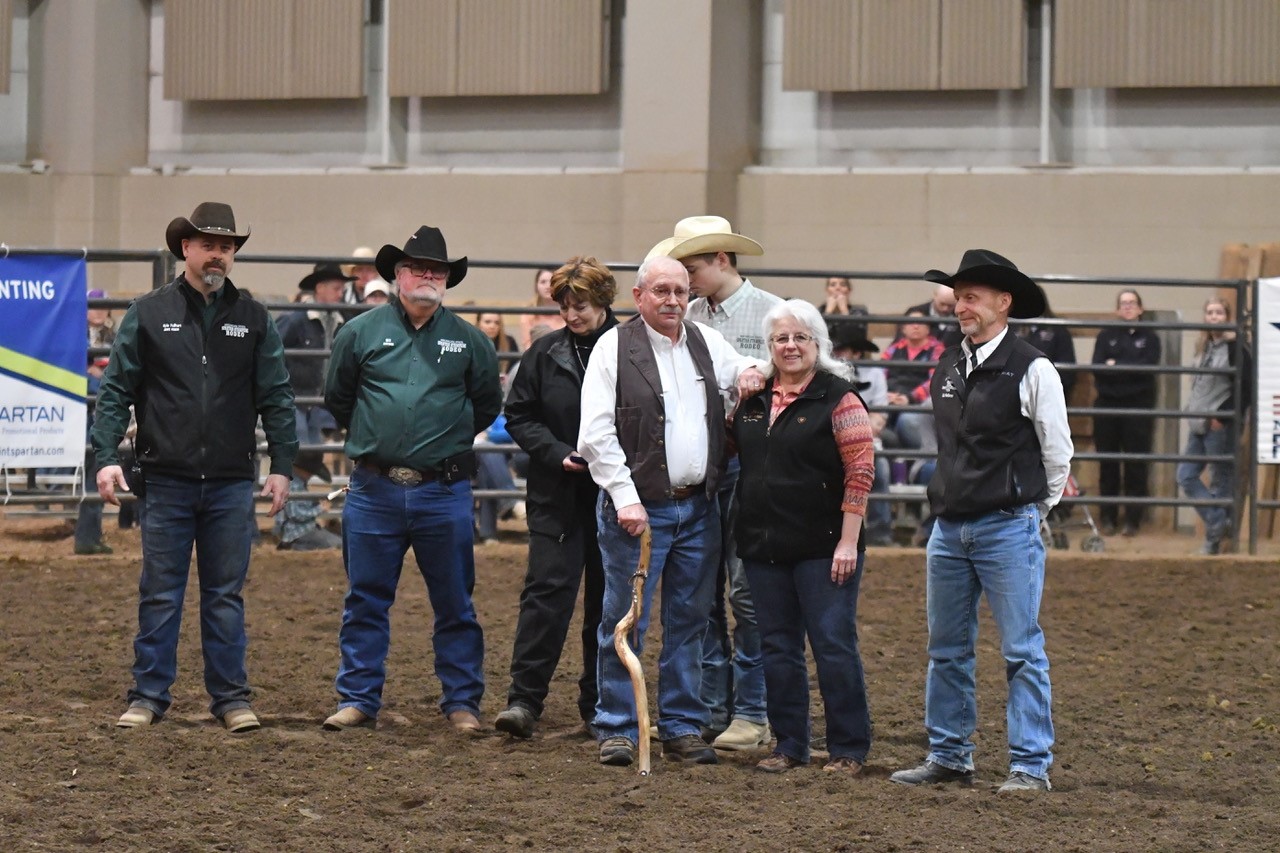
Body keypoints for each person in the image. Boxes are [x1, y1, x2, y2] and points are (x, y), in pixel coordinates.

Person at [91, 201, 298, 732]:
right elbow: (117, 389)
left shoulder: (252, 318)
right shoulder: (148, 311)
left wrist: (282, 464)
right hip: (166, 478)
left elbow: (276, 395)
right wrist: (106, 456)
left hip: (230, 480)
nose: (218, 255)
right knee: (160, 592)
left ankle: (230, 698)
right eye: (208, 244)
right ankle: (149, 695)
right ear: (186, 248)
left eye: (226, 247)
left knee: (224, 595)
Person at [890, 249, 1071, 793]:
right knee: (947, 647)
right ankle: (949, 753)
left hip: (1005, 525)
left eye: (969, 297)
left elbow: (1056, 451)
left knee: (1020, 649)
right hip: (950, 527)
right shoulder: (950, 363)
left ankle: (1030, 764)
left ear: (1002, 301)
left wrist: (1030, 511)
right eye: (957, 297)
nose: (958, 306)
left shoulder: (1033, 367)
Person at [577, 255, 764, 768]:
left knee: (690, 619)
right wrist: (625, 496)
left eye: (680, 292)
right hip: (638, 511)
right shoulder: (614, 347)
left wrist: (750, 373)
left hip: (698, 508)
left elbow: (748, 370)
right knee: (623, 617)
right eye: (661, 291)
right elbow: (594, 433)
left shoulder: (705, 341)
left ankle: (681, 723)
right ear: (638, 297)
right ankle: (617, 726)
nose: (672, 301)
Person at [321, 225, 502, 734]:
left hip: (442, 489)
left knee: (455, 601)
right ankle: (358, 697)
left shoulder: (469, 341)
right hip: (374, 488)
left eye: (437, 270)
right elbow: (339, 396)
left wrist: (442, 440)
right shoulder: (359, 333)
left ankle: (462, 701)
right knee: (365, 598)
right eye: (418, 267)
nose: (428, 276)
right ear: (398, 275)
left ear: (446, 279)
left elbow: (486, 403)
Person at [648, 214, 780, 751]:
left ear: (722, 260)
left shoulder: (773, 312)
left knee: (746, 592)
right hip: (706, 468)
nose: (686, 280)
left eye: (692, 267)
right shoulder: (687, 315)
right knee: (700, 593)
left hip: (748, 466)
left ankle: (752, 711)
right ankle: (708, 708)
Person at [733, 300, 876, 774]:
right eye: (780, 339)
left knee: (833, 643)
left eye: (800, 338)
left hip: (824, 546)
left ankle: (848, 748)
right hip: (763, 545)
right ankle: (789, 744)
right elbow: (732, 450)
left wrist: (848, 542)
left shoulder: (840, 398)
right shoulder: (751, 402)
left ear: (818, 344)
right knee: (777, 645)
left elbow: (860, 473)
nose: (790, 346)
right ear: (769, 347)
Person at [493, 256, 620, 740]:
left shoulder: (632, 350)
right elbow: (520, 415)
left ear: (603, 301)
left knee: (607, 606)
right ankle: (524, 700)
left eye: (581, 305)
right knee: (546, 596)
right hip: (557, 495)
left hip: (614, 496)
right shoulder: (544, 353)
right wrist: (556, 453)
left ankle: (601, 704)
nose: (572, 315)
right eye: (565, 306)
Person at [1176, 297, 1252, 555]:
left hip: (1219, 424)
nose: (1214, 317)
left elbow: (1246, 386)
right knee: (1185, 475)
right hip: (1197, 421)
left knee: (1221, 480)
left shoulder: (1237, 347)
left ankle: (1213, 543)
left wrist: (1224, 414)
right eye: (1210, 312)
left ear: (1227, 316)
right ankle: (1218, 520)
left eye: (1219, 312)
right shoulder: (1205, 345)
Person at [1091, 289, 1161, 536]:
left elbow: (1146, 370)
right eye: (1123, 303)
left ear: (1141, 309)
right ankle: (1108, 519)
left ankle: (1133, 520)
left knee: (1135, 465)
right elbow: (1098, 367)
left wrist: (1115, 366)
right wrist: (1127, 368)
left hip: (1137, 407)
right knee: (1107, 464)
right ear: (1118, 309)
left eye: (1132, 303)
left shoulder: (1151, 338)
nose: (1128, 307)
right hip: (1107, 406)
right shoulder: (1106, 335)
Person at [277, 263, 353, 447]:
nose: (340, 294)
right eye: (336, 288)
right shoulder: (295, 320)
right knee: (301, 446)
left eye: (341, 289)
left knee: (310, 450)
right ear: (320, 288)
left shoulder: (340, 321)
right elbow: (272, 351)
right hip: (295, 397)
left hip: (317, 400)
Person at [832, 328, 894, 547]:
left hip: (866, 437)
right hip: (828, 440)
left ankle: (880, 530)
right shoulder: (822, 373)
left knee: (882, 469)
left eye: (842, 349)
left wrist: (857, 434)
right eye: (834, 348)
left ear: (856, 353)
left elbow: (880, 414)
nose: (837, 353)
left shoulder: (874, 374)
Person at [75, 288, 116, 555]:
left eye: (103, 306)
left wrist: (98, 375)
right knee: (95, 468)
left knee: (97, 468)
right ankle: (87, 536)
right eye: (93, 306)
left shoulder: (113, 337)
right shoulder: (75, 336)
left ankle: (89, 535)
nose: (98, 311)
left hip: (100, 411)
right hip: (83, 410)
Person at [881, 309, 944, 454]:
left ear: (928, 328)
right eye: (911, 323)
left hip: (918, 404)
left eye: (920, 323)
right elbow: (880, 374)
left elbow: (935, 380)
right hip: (890, 400)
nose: (915, 326)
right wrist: (885, 394)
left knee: (905, 420)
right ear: (903, 329)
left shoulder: (937, 349)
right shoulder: (893, 349)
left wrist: (910, 398)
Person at [276, 451, 342, 551]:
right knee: (339, 544)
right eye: (311, 471)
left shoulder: (295, 482)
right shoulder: (293, 485)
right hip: (301, 532)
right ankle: (297, 545)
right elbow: (295, 514)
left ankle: (298, 545)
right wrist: (319, 509)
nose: (311, 475)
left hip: (302, 531)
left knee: (337, 540)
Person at [1017, 298, 1078, 399]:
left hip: (1048, 395)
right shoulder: (1011, 328)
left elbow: (1067, 371)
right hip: (1016, 396)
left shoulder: (1058, 330)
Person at [519, 268, 567, 349]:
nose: (548, 286)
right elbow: (527, 346)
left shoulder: (568, 310)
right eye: (543, 282)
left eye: (552, 282)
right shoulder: (528, 313)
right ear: (536, 286)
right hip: (537, 357)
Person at [475, 310, 521, 381]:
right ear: (478, 323)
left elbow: (515, 370)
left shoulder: (509, 342)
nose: (492, 326)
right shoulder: (470, 342)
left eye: (497, 323)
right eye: (487, 322)